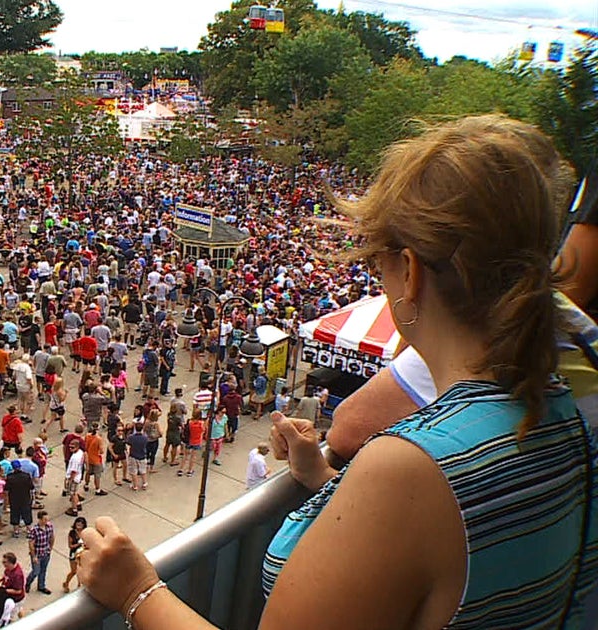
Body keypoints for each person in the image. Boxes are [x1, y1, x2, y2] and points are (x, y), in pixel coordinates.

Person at [73, 116, 598, 629]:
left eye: (380, 262)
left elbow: (429, 500)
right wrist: (324, 481)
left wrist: (136, 590)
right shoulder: (557, 409)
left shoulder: (408, 468)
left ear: (411, 272)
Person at [23, 510, 55, 595]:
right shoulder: (34, 530)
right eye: (44, 519)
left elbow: (52, 537)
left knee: (43, 570)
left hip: (46, 552)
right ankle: (27, 582)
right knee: (36, 571)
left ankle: (41, 586)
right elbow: (31, 544)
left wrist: (50, 548)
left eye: (47, 519)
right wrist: (34, 556)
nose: (46, 521)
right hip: (37, 554)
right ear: (39, 519)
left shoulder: (49, 526)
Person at [0, 552, 25, 627]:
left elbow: (18, 591)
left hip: (16, 599)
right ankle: (24, 620)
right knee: (19, 609)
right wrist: (2, 579)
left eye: (4, 562)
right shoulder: (8, 569)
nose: (3, 564)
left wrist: (4, 590)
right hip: (10, 595)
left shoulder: (17, 575)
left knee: (9, 617)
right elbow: (6, 575)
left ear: (10, 562)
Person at [61, 516, 87, 593]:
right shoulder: (72, 533)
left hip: (82, 553)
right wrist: (79, 544)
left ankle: (79, 585)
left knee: (81, 570)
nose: (78, 525)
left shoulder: (85, 532)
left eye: (80, 524)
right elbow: (70, 546)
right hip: (74, 553)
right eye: (77, 524)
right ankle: (66, 583)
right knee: (74, 571)